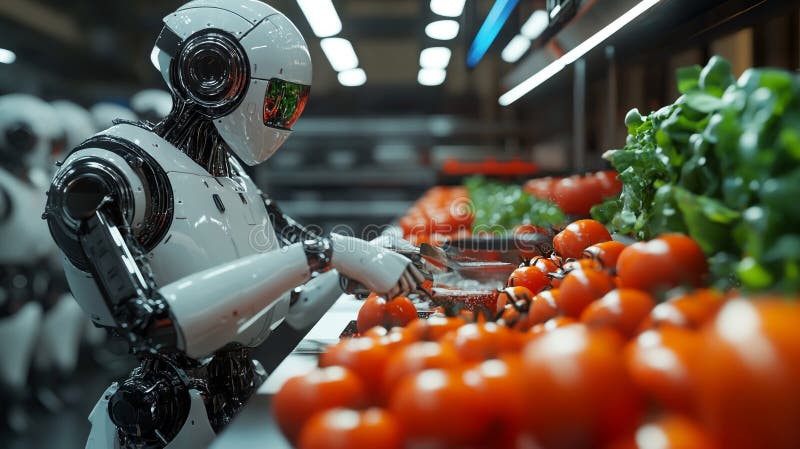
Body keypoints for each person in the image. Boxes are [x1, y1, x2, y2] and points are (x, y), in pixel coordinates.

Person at [43, 1, 423, 447]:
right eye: (277, 99)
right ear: (214, 72)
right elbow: (149, 321)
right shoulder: (109, 172)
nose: (282, 117)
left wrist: (348, 271)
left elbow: (290, 298)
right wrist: (331, 254)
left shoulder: (233, 175)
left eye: (292, 104)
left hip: (238, 398)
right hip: (161, 418)